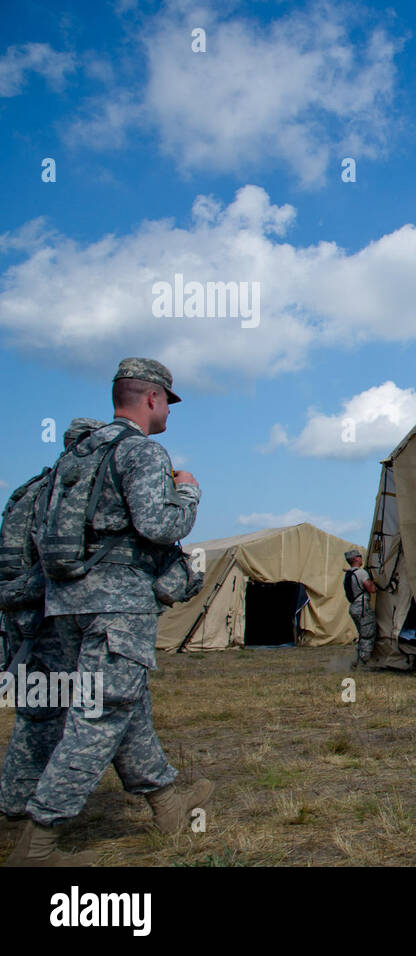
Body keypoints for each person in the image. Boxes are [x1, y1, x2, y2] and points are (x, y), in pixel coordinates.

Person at [7, 359, 212, 867]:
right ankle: (38, 846)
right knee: (97, 717)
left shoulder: (76, 457)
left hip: (68, 605)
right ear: (151, 399)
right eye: (167, 401)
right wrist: (187, 490)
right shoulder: (139, 451)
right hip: (118, 607)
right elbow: (161, 525)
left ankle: (166, 804)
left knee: (126, 707)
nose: (167, 410)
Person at [0, 419, 103, 828]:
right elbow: (61, 560)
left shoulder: (27, 490)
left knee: (36, 713)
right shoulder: (66, 493)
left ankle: (14, 798)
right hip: (51, 613)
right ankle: (40, 811)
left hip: (18, 613)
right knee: (80, 711)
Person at [344, 549, 378, 667]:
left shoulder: (348, 574)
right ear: (355, 559)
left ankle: (358, 660)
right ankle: (364, 663)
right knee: (368, 635)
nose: (361, 558)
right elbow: (372, 589)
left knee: (362, 635)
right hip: (362, 607)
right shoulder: (361, 573)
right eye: (359, 556)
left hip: (354, 607)